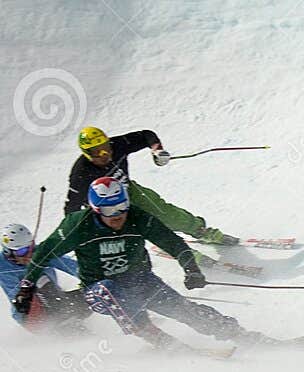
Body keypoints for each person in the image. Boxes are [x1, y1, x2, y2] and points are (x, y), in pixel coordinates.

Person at [12, 177, 266, 349]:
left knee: (184, 309)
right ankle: (155, 337)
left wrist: (191, 268)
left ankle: (240, 335)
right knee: (107, 288)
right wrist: (26, 288)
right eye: (110, 211)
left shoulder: (137, 218)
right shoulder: (78, 225)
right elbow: (43, 253)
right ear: (96, 209)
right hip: (97, 291)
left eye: (122, 207)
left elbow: (173, 242)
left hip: (140, 281)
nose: (118, 216)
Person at [66, 126, 237, 245]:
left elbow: (146, 135)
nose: (105, 154)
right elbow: (71, 207)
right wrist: (75, 234)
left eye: (105, 147)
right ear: (87, 154)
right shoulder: (81, 173)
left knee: (165, 213)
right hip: (105, 209)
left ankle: (199, 230)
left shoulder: (117, 145)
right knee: (122, 238)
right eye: (97, 152)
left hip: (128, 192)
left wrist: (157, 150)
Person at [1, 223, 88, 330]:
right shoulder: (2, 266)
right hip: (29, 315)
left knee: (91, 295)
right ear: (8, 252)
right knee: (38, 280)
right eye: (22, 251)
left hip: (58, 302)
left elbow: (71, 266)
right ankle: (65, 327)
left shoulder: (40, 253)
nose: (29, 254)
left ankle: (71, 323)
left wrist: (93, 278)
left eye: (31, 248)